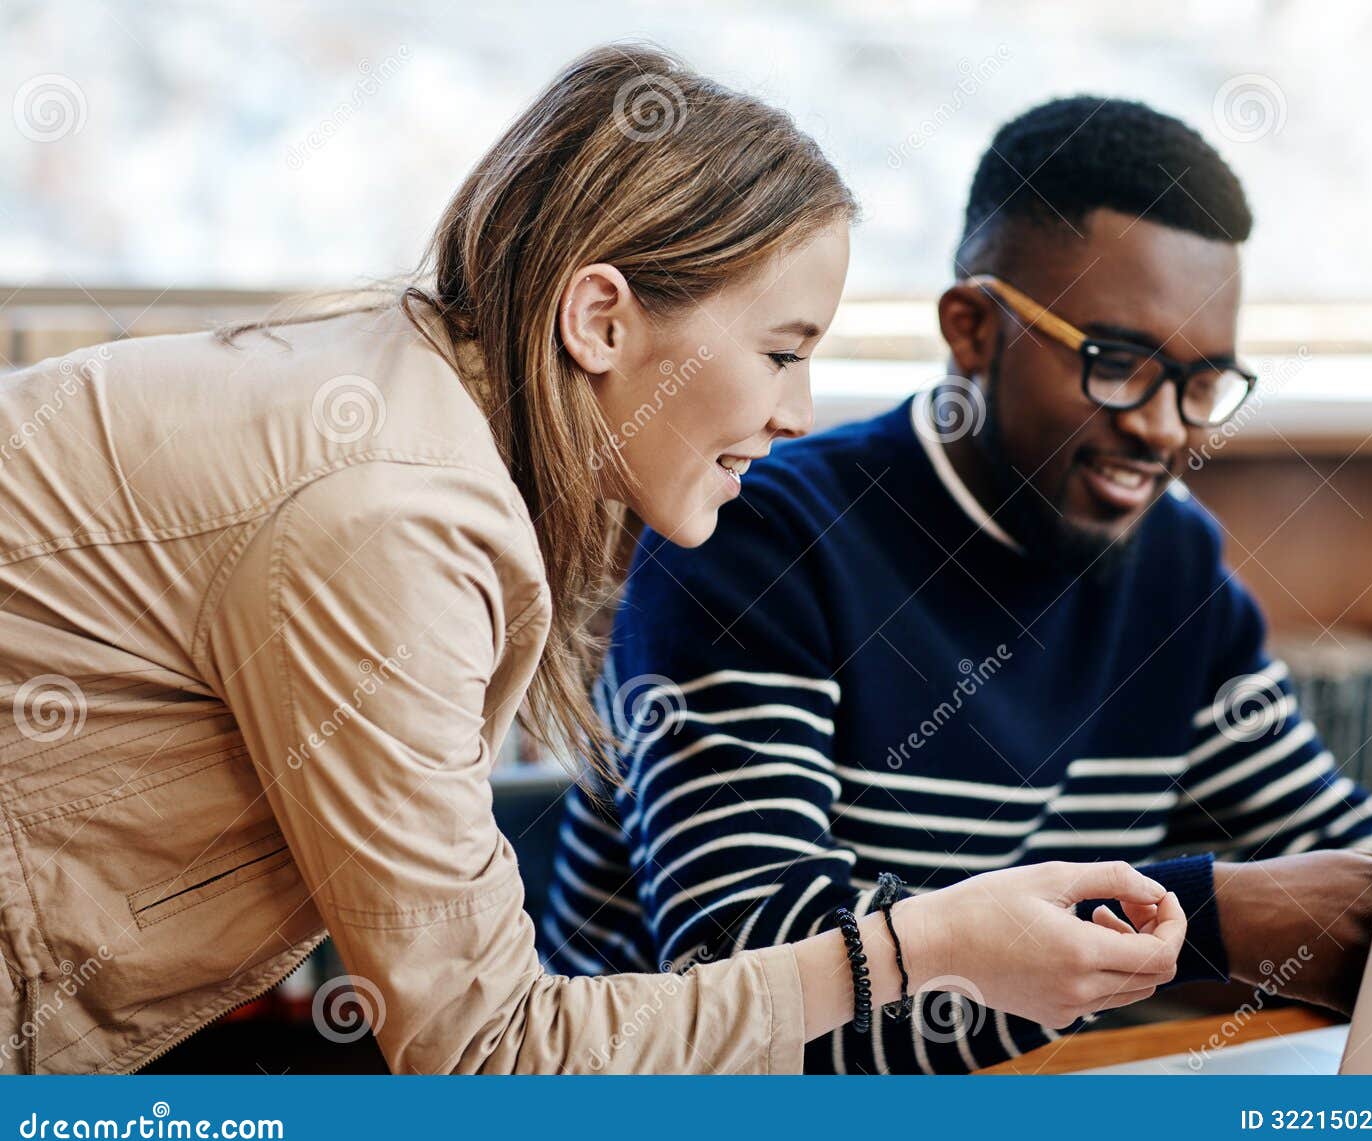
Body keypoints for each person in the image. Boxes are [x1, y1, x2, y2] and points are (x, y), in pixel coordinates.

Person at [0, 48, 1186, 1076]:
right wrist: (930, 947)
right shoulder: (389, 520)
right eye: (781, 351)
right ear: (601, 321)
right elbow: (493, 1054)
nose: (801, 413)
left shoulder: (410, 422)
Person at [542, 96, 1372, 1074]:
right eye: (1118, 363)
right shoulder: (753, 538)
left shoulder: (1172, 565)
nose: (1163, 428)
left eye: (1201, 384)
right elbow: (755, 977)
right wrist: (1199, 917)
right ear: (972, 329)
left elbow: (1343, 873)